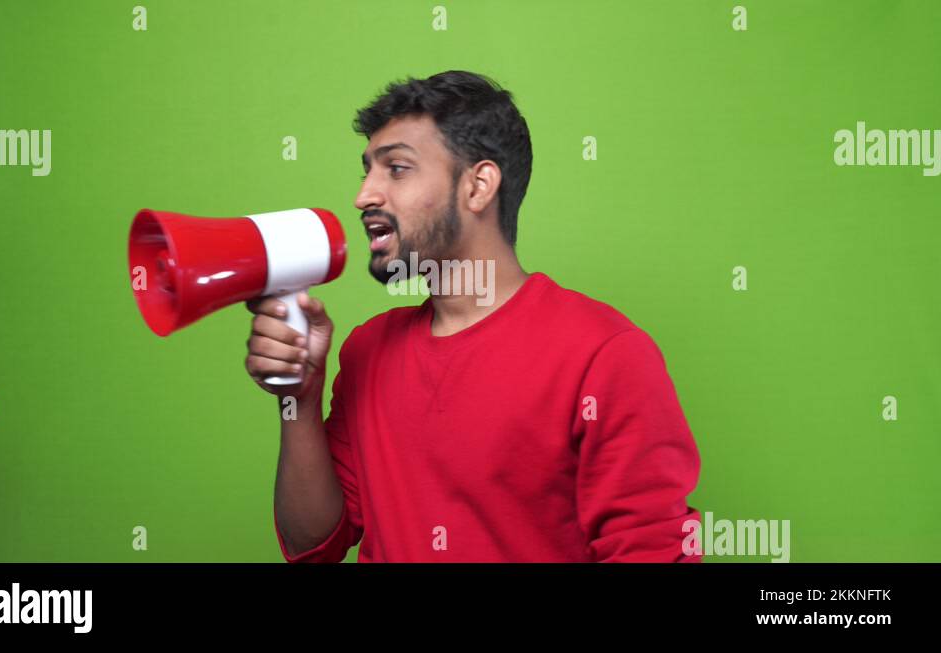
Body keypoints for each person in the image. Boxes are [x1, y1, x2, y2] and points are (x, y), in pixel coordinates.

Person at [245, 70, 702, 562]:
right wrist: (299, 400)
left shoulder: (604, 353)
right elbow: (312, 545)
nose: (364, 196)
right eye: (367, 170)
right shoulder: (367, 349)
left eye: (396, 169)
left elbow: (650, 551)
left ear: (479, 186)